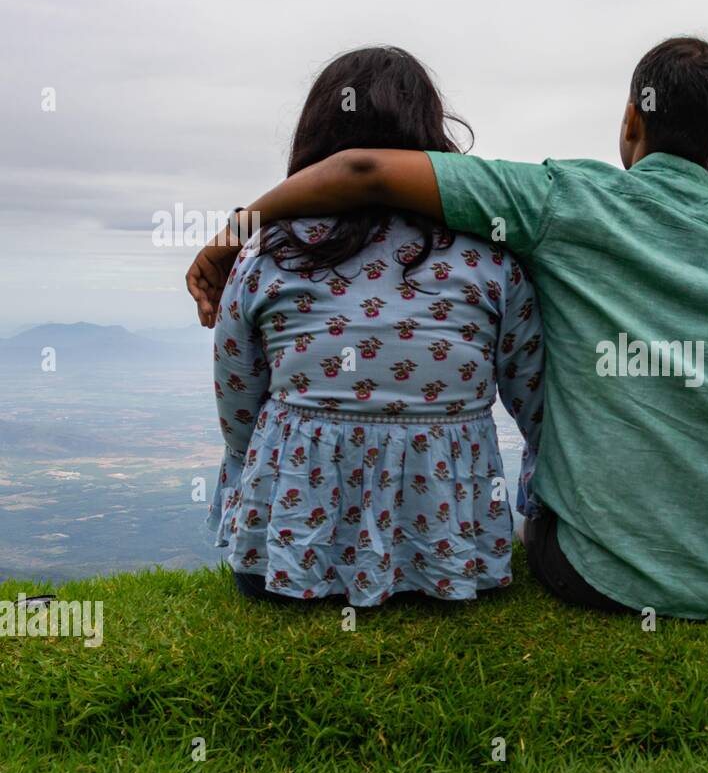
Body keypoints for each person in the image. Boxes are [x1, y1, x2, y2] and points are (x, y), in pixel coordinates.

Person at [189, 36, 708, 620]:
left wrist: (232, 236)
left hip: (578, 573)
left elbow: (360, 174)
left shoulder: (557, 201)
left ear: (630, 121)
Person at [204, 46, 544, 607]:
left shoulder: (268, 252)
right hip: (451, 563)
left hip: (288, 565)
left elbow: (238, 405)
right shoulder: (492, 257)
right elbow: (532, 402)